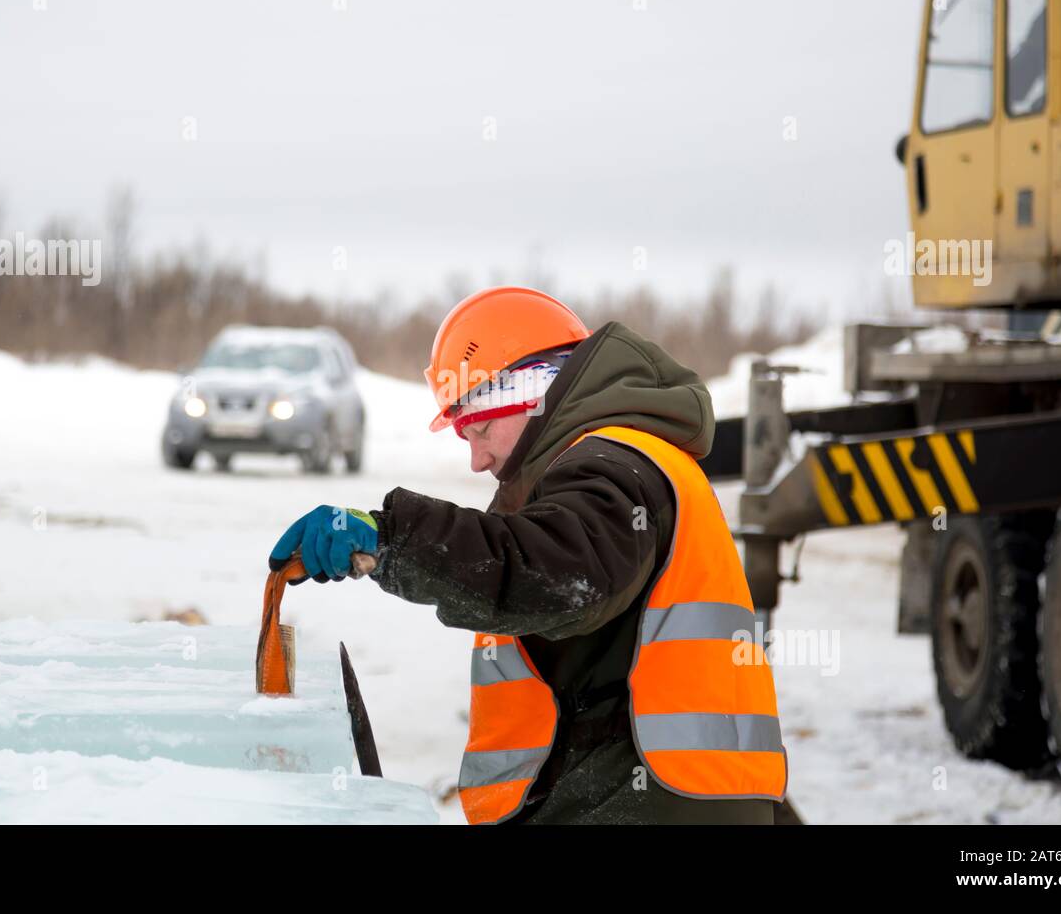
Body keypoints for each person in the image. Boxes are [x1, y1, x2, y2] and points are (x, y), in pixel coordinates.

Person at [270, 286, 787, 824]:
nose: (477, 458)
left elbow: (553, 574)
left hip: (655, 795)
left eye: (482, 428)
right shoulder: (615, 464)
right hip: (655, 792)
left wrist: (389, 539)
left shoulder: (615, 466)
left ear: (533, 391)